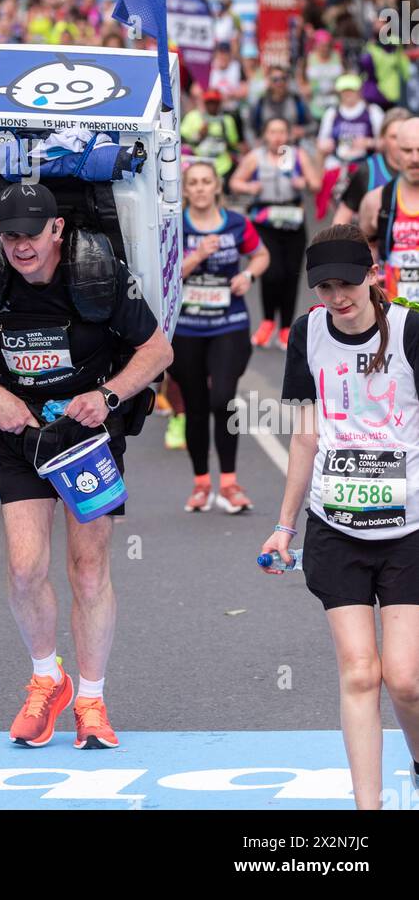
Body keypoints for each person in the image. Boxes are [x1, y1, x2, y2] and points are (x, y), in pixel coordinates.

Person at [0, 181, 173, 749]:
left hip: (89, 438)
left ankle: (91, 699)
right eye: (10, 236)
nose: (21, 247)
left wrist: (108, 395)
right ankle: (47, 680)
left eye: (32, 235)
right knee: (24, 569)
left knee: (88, 570)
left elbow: (158, 350)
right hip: (21, 436)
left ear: (57, 230)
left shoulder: (99, 274)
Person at [266, 225, 419, 810]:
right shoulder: (307, 332)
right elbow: (305, 435)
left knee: (405, 678)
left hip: (409, 530)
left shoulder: (409, 329)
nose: (337, 297)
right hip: (336, 525)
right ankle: (368, 810)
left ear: (373, 274)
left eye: (347, 284)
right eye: (325, 287)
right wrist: (284, 526)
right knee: (359, 671)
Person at [170, 160, 269, 512]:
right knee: (195, 405)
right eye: (193, 182)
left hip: (229, 323)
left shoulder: (237, 223)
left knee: (223, 399)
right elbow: (166, 273)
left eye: (206, 181)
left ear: (216, 187)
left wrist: (248, 277)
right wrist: (198, 255)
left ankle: (229, 483)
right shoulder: (175, 225)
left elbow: (261, 255)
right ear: (185, 189)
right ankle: (201, 484)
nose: (200, 188)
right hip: (187, 327)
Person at [231, 116, 319, 349]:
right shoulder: (256, 157)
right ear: (265, 135)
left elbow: (316, 184)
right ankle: (268, 321)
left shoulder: (297, 155)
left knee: (291, 275)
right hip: (265, 221)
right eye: (272, 132)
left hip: (293, 221)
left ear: (288, 135)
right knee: (271, 273)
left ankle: (286, 328)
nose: (277, 137)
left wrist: (304, 182)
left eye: (282, 132)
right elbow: (234, 182)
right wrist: (249, 186)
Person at [359, 116, 419, 304]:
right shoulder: (376, 201)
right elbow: (366, 248)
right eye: (407, 150)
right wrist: (371, 279)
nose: (415, 158)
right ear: (395, 151)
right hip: (394, 309)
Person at [315, 74, 383, 219]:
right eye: (344, 91)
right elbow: (321, 142)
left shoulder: (372, 111)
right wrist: (325, 145)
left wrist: (369, 142)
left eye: (351, 90)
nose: (348, 94)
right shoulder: (332, 113)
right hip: (338, 166)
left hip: (364, 165)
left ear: (359, 91)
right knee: (340, 208)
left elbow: (385, 142)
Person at [334, 107, 408, 227]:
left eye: (404, 136)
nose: (400, 142)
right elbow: (343, 215)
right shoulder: (368, 170)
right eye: (394, 137)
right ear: (382, 139)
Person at [251, 66, 310, 143]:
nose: (280, 83)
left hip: (293, 145)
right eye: (275, 79)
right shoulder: (260, 102)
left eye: (283, 78)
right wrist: (254, 143)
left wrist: (302, 130)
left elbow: (313, 126)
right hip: (267, 146)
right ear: (268, 81)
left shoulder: (297, 100)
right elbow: (249, 127)